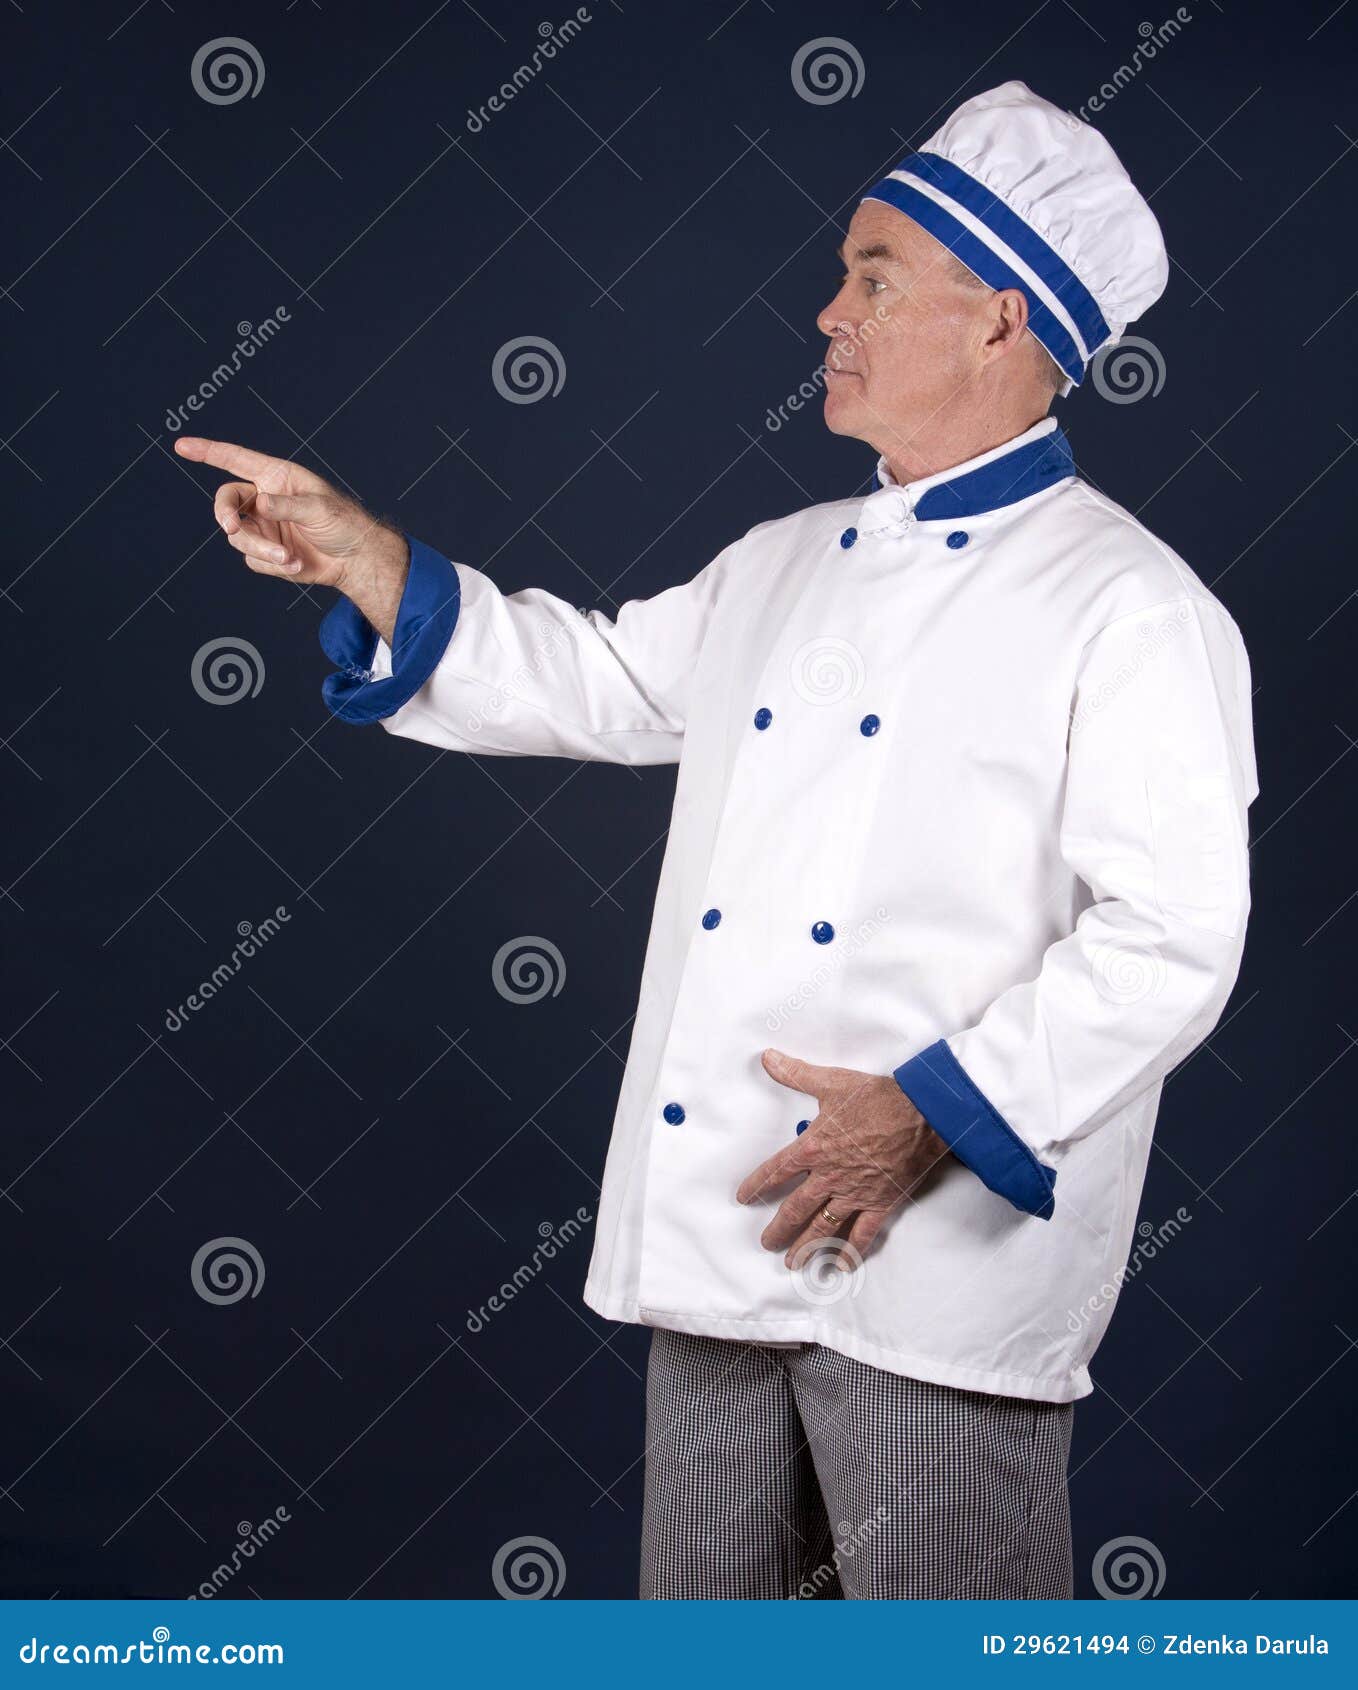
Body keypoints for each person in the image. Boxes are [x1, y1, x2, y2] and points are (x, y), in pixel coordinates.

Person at [175, 81, 1257, 1600]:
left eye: (871, 277)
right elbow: (601, 680)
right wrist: (368, 560)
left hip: (934, 1272)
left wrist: (925, 1112)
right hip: (724, 1245)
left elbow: (1169, 943)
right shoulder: (781, 561)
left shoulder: (1131, 607)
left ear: (1002, 321)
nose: (826, 311)